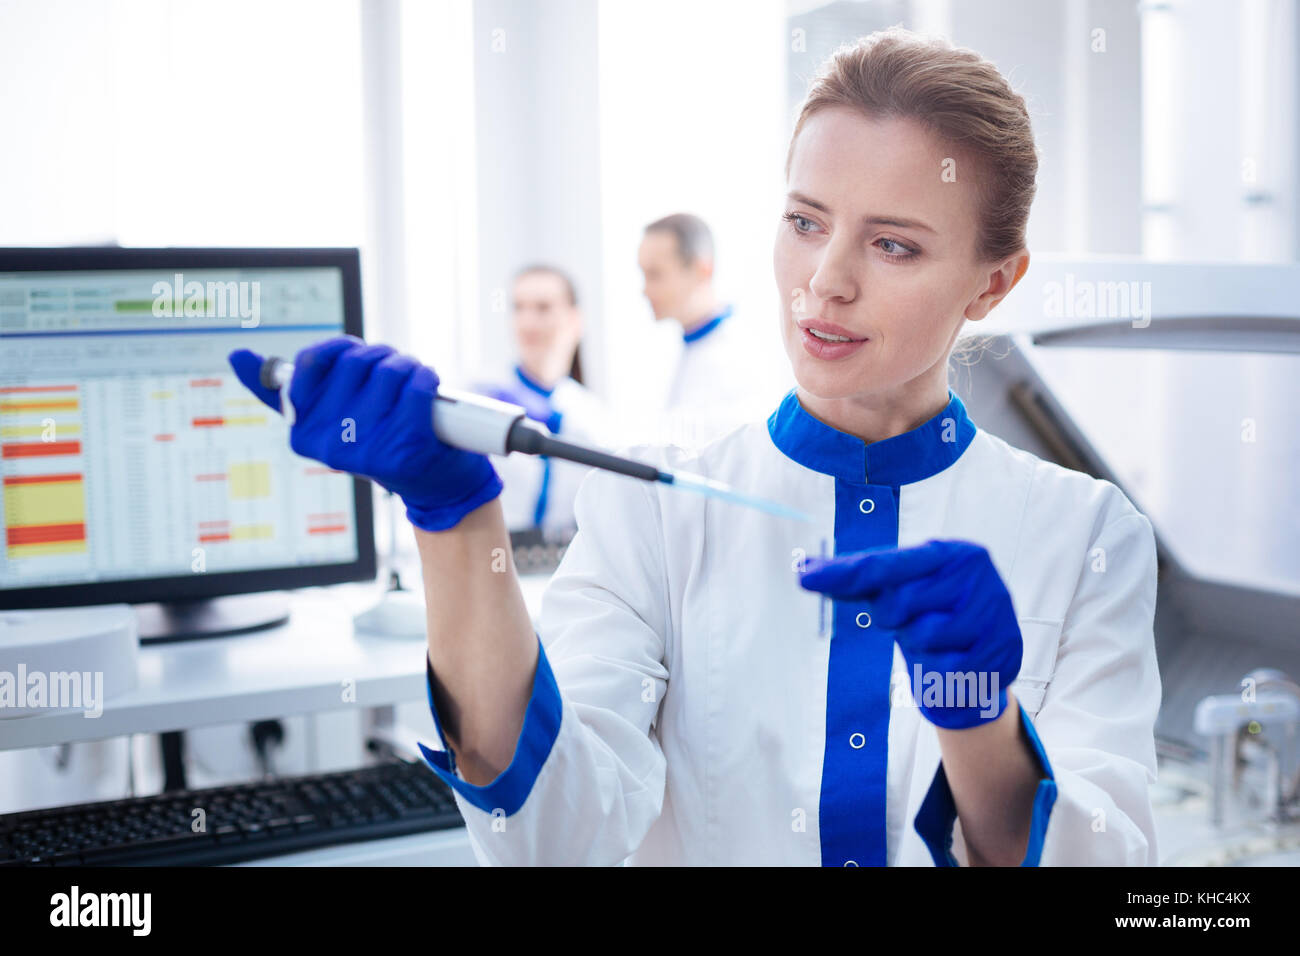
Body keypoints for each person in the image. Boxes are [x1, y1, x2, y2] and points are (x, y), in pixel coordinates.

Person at [229, 27, 1161, 866]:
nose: (823, 283)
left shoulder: (1086, 534)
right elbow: (554, 838)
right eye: (805, 222)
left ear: (994, 283)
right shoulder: (656, 503)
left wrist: (982, 723)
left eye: (893, 246)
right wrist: (455, 521)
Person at [469, 264, 609, 535]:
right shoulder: (482, 399)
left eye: (543, 308)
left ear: (574, 319)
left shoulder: (593, 418)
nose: (528, 322)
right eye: (519, 308)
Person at [638, 212, 792, 446]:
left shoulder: (735, 363)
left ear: (702, 270)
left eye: (655, 274)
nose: (644, 290)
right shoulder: (688, 347)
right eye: (643, 274)